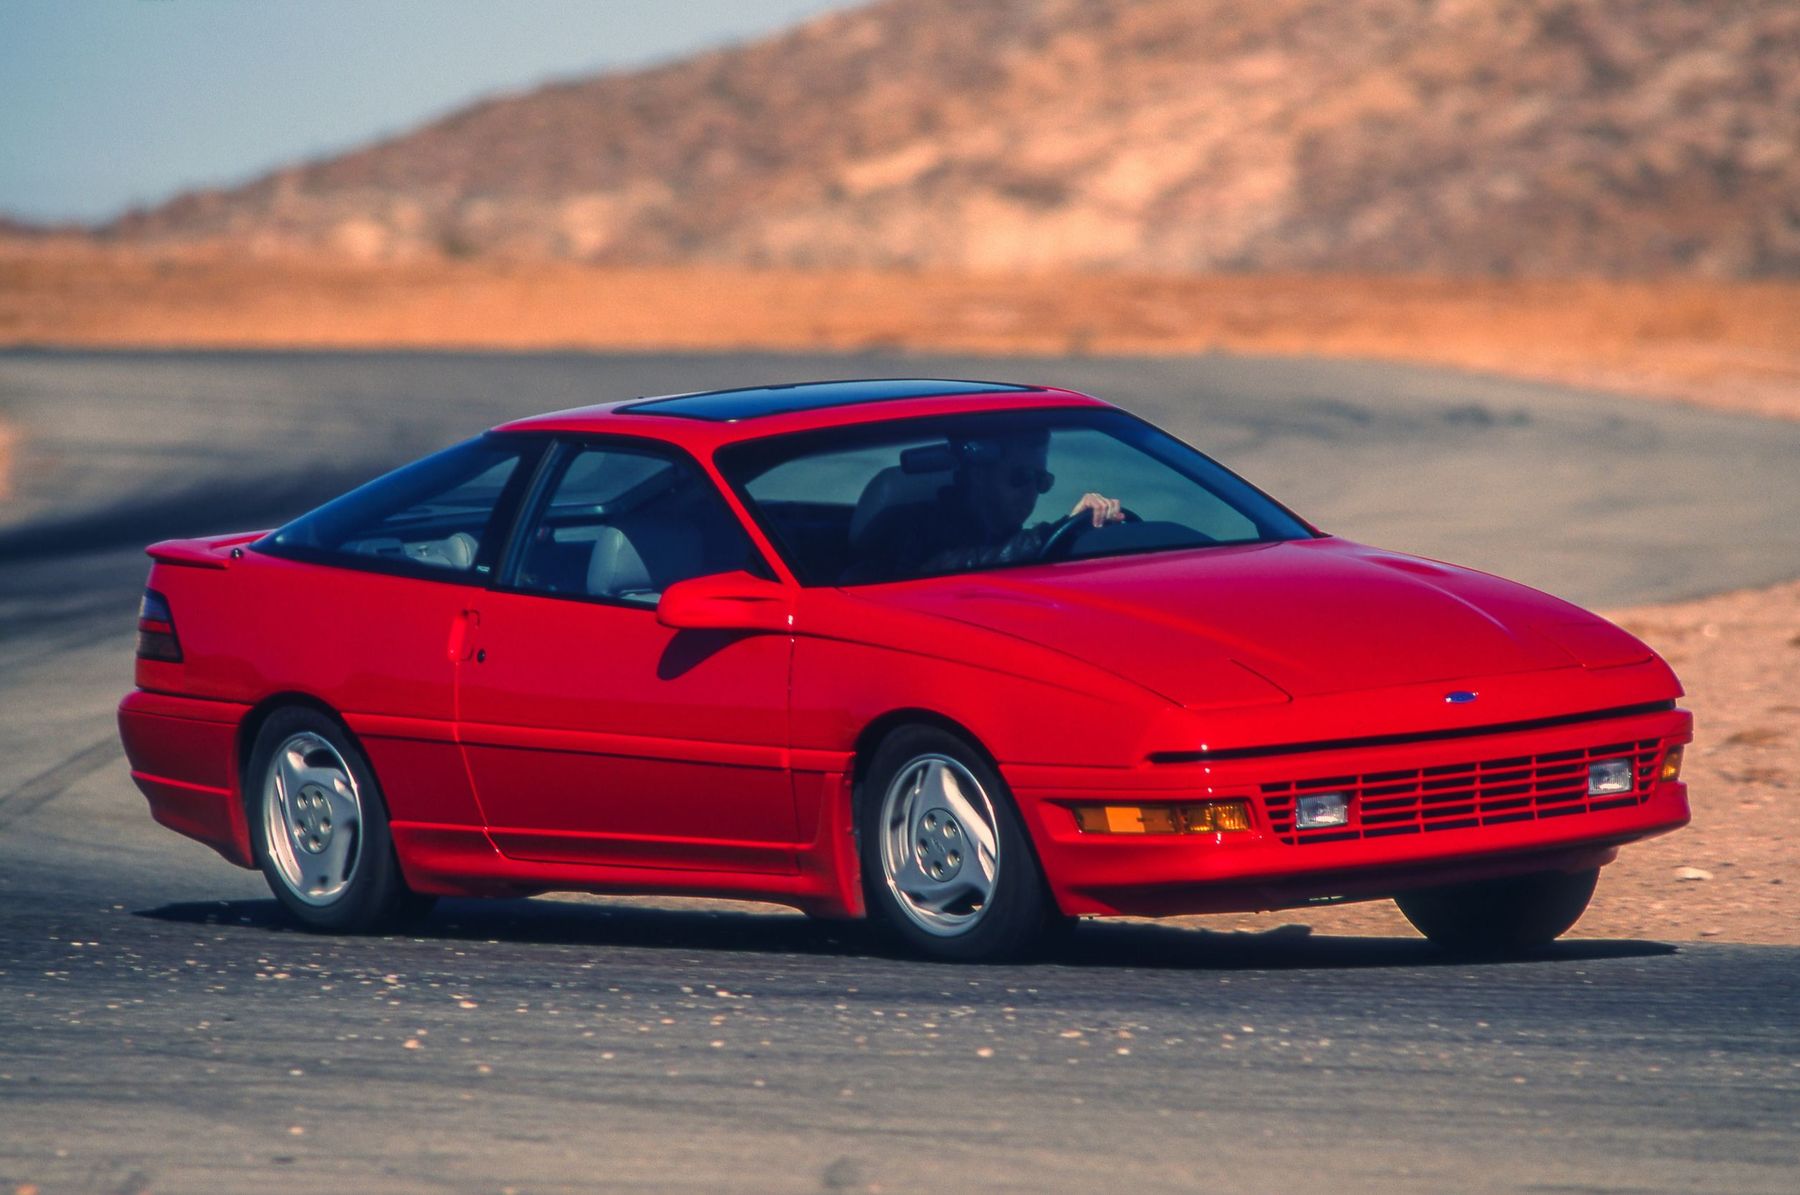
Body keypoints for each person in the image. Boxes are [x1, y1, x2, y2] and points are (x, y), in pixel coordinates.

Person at [855, 428, 1124, 580]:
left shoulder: (1007, 535)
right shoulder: (913, 528)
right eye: (1020, 477)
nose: (1031, 491)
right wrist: (1053, 534)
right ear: (979, 476)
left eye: (1041, 480)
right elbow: (950, 566)